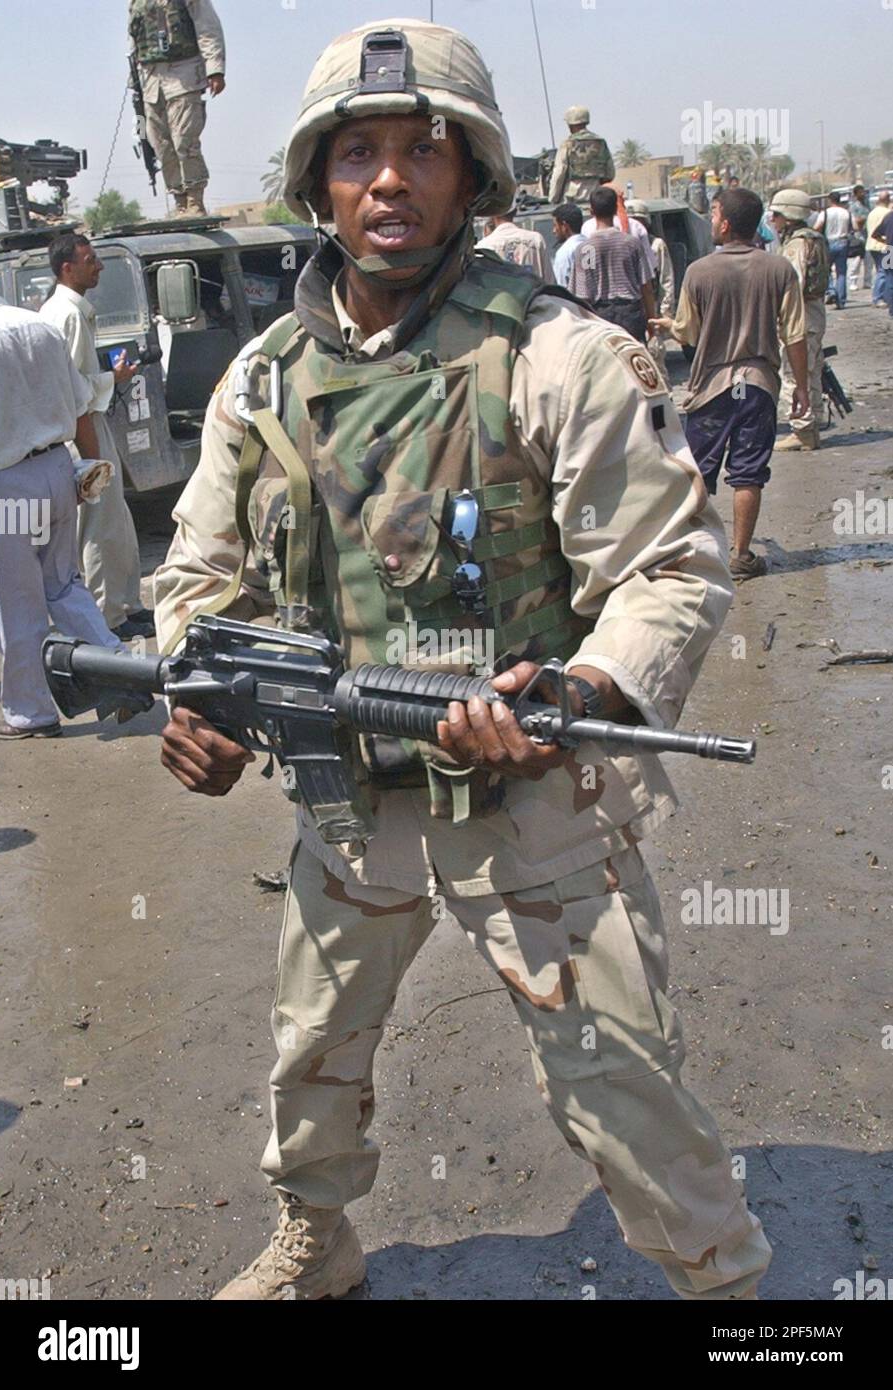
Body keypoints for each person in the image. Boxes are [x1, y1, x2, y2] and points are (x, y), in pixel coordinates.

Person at [154, 17, 771, 1303]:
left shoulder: (557, 352)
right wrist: (200, 690)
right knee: (312, 1053)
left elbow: (669, 566)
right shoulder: (264, 379)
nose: (389, 179)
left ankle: (726, 1291)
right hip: (351, 798)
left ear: (473, 177)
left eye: (423, 151)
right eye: (356, 152)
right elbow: (196, 577)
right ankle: (316, 1238)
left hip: (536, 802)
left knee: (623, 1090)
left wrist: (582, 692)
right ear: (317, 179)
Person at [0, 266, 122, 740]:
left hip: (8, 485)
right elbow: (81, 403)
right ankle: (121, 677)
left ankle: (31, 713)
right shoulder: (38, 326)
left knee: (18, 602)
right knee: (65, 586)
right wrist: (91, 467)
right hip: (57, 472)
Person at [650, 187, 809, 581]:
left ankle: (693, 553)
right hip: (758, 385)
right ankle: (740, 556)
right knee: (748, 473)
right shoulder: (779, 269)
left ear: (724, 222)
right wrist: (802, 387)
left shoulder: (700, 271)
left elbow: (688, 333)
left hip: (711, 387)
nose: (712, 220)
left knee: (698, 473)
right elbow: (795, 335)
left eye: (715, 212)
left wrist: (670, 325)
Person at [40, 234, 155, 640]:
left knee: (117, 519)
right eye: (91, 260)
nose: (99, 267)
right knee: (98, 526)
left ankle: (128, 605)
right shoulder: (67, 316)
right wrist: (114, 377)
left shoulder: (71, 311)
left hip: (93, 424)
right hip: (82, 429)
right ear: (67, 268)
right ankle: (107, 617)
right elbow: (69, 391)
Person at [128, 0, 226, 217]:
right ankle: (179, 200)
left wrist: (215, 69)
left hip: (184, 74)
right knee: (161, 145)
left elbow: (207, 27)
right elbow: (134, 40)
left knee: (185, 140)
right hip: (150, 81)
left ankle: (195, 201)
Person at [769, 188, 831, 452]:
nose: (773, 220)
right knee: (812, 372)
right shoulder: (815, 239)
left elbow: (792, 286)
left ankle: (802, 429)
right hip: (814, 314)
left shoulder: (796, 245)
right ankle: (812, 427)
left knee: (795, 374)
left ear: (788, 215)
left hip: (800, 318)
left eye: (776, 215)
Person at [575, 186, 656, 342]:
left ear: (591, 212)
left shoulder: (587, 249)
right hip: (630, 315)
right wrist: (651, 320)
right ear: (615, 211)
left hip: (600, 317)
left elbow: (583, 293)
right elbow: (646, 287)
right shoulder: (631, 244)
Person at [625, 198, 675, 379]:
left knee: (656, 361)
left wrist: (665, 313)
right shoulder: (623, 246)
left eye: (639, 220)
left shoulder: (656, 246)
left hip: (652, 310)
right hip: (631, 312)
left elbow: (666, 281)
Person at [548, 105, 615, 206]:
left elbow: (560, 172)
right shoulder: (600, 142)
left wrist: (553, 198)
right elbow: (610, 172)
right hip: (596, 195)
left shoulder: (567, 143)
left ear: (570, 123)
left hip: (573, 196)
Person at [475, 208, 554, 280]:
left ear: (493, 215)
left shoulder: (483, 246)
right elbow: (549, 282)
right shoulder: (536, 240)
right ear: (515, 211)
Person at [815, 193, 852, 308]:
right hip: (843, 242)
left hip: (828, 243)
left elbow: (817, 227)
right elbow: (854, 227)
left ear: (830, 200)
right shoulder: (846, 212)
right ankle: (841, 300)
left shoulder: (825, 213)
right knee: (841, 272)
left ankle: (831, 291)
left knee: (826, 269)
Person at [551, 202, 589, 291]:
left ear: (564, 226)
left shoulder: (564, 252)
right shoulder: (590, 246)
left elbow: (561, 288)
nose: (553, 231)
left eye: (555, 225)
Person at [868, 200, 893, 317]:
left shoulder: (888, 217)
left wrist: (885, 241)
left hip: (889, 250)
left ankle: (891, 307)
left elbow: (875, 234)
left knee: (889, 278)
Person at [847, 185, 871, 293]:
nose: (863, 194)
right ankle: (853, 282)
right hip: (857, 237)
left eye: (864, 192)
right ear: (856, 194)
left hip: (868, 235)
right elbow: (854, 221)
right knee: (856, 261)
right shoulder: (853, 206)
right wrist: (864, 219)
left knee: (869, 260)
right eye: (861, 192)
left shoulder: (867, 204)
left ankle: (867, 281)